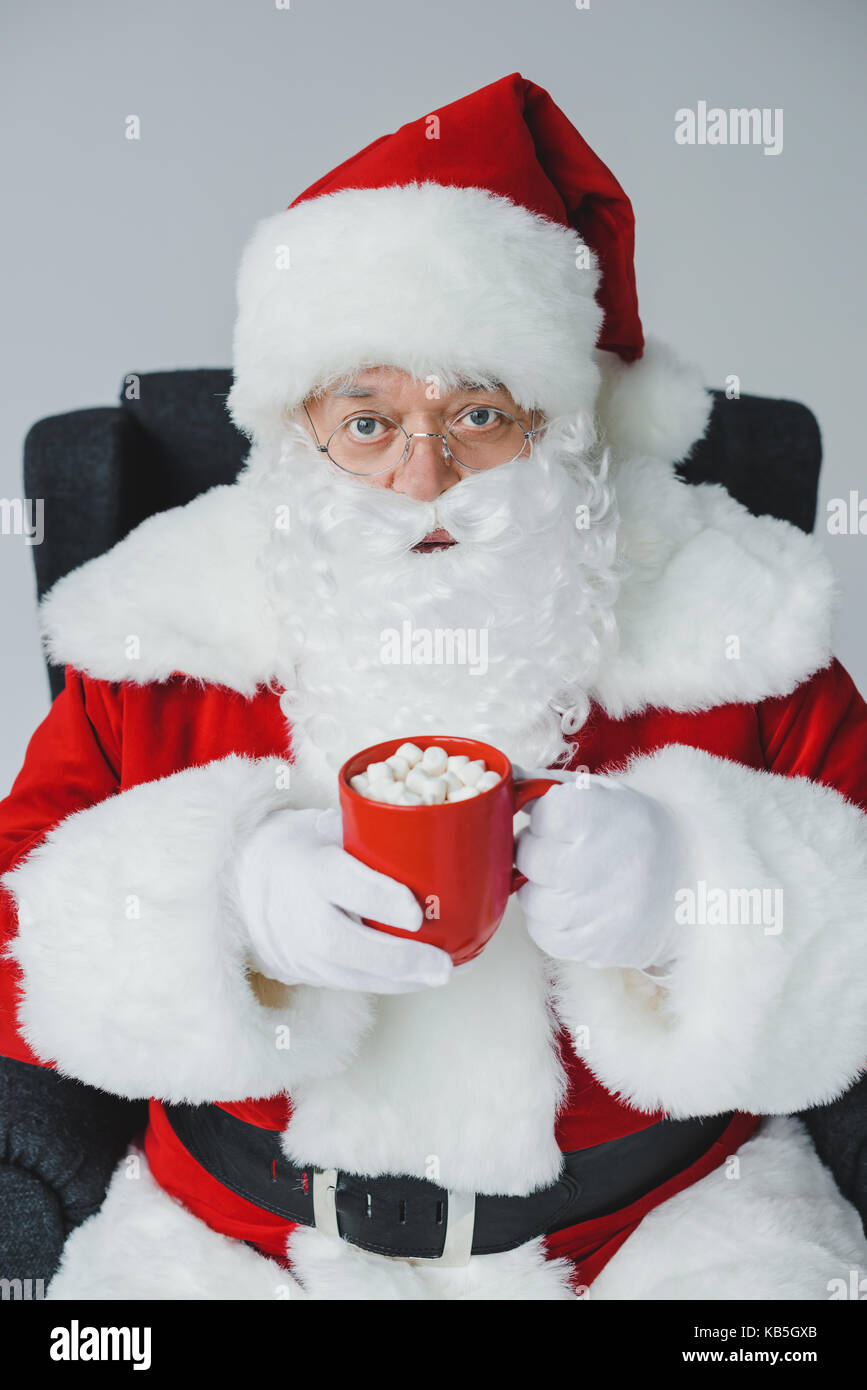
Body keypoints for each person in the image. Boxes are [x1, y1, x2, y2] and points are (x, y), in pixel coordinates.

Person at [1, 72, 866, 1301]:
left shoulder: (733, 610)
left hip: (656, 1235)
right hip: (239, 1240)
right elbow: (11, 917)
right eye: (368, 421)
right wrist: (223, 905)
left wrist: (701, 893)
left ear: (565, 426)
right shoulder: (164, 624)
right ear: (299, 433)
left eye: (479, 414)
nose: (424, 476)